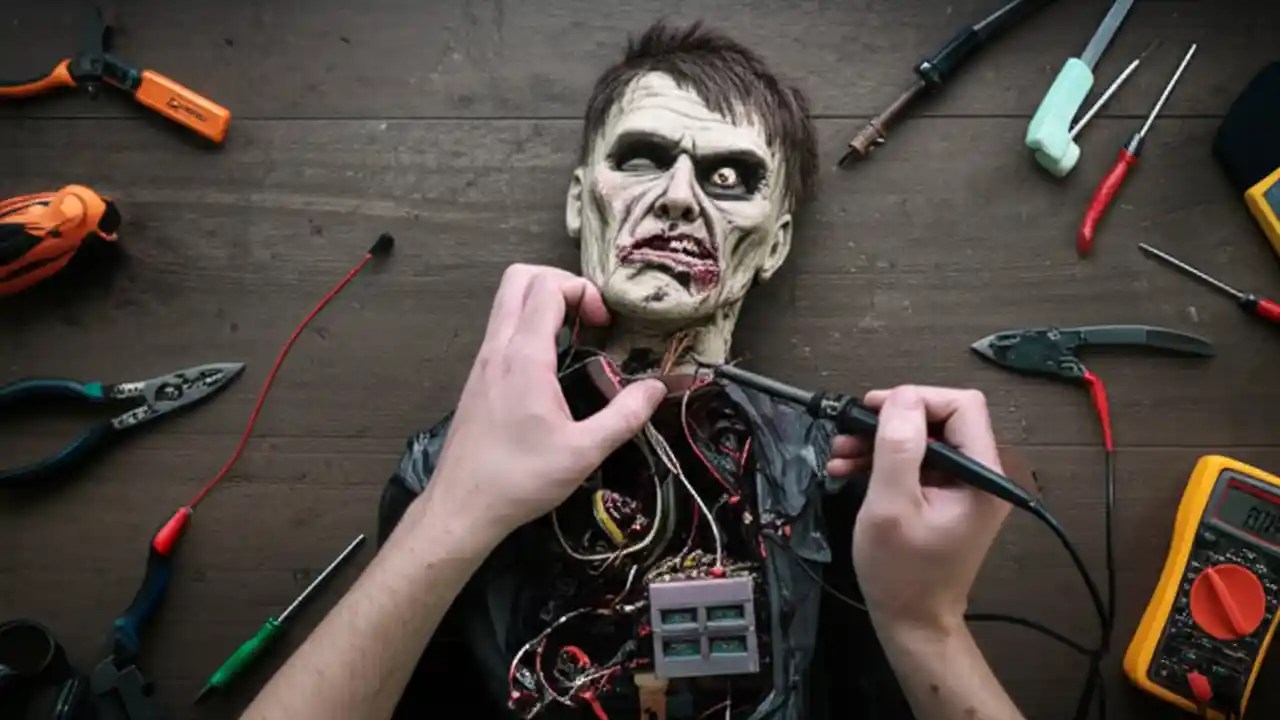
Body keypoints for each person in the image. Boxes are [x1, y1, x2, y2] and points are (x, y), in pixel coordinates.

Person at [241, 265, 1024, 720]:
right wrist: (930, 625)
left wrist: (923, 624)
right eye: (644, 158)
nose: (682, 195)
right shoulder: (443, 464)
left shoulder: (825, 470)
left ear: (773, 240)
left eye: (728, 175)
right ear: (585, 201)